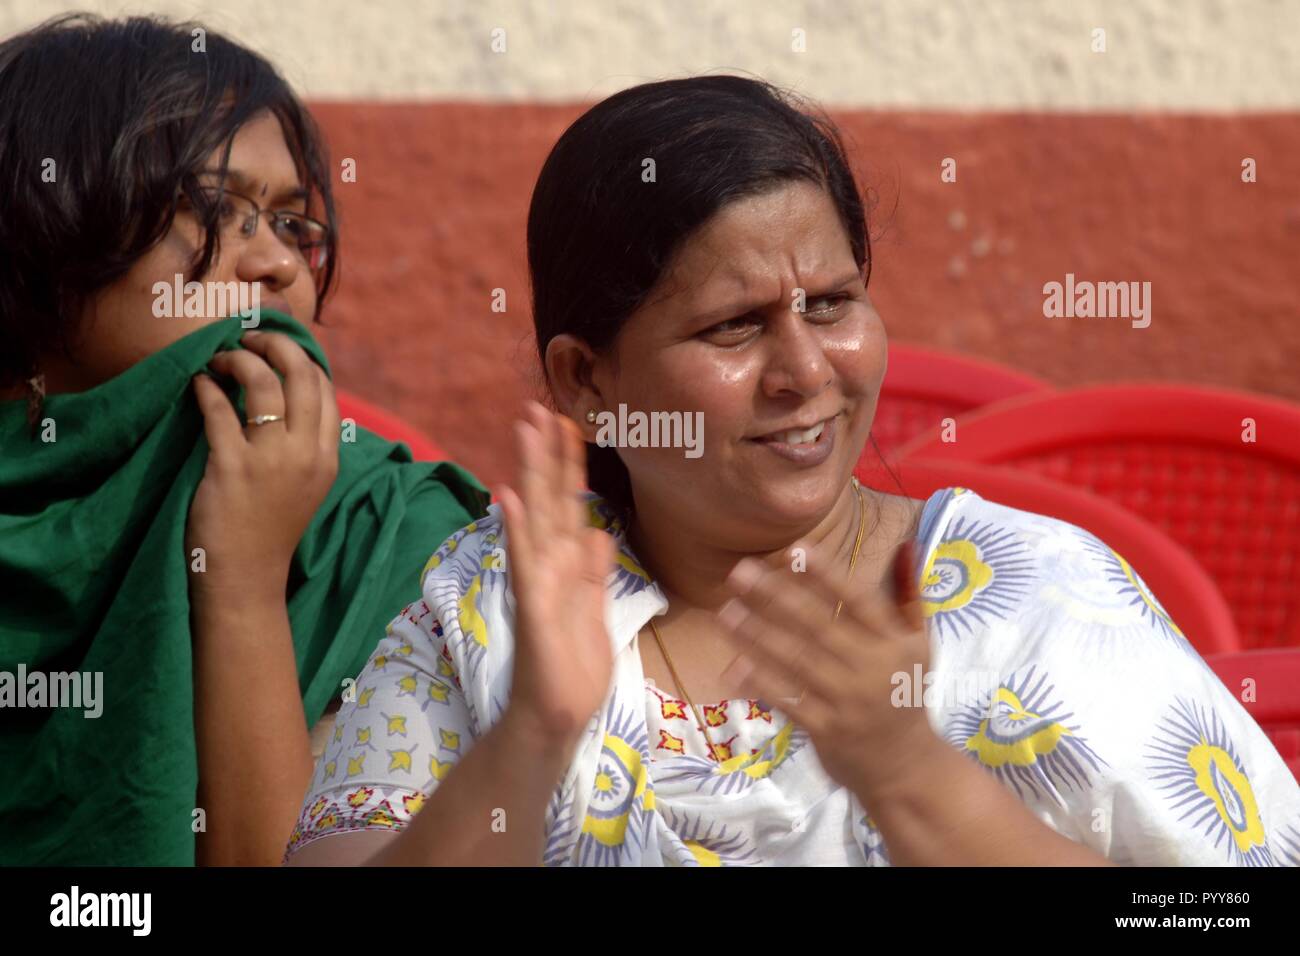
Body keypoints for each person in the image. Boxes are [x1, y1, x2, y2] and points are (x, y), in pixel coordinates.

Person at [285, 75, 1300, 866]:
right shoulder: (490, 610)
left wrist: (915, 778)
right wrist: (531, 737)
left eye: (831, 303)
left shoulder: (1038, 599)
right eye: (734, 325)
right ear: (586, 379)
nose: (807, 371)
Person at [0, 14, 487, 866]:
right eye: (215, 210)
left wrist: (243, 585)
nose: (281, 266)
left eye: (294, 225)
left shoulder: (391, 537)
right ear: (46, 234)